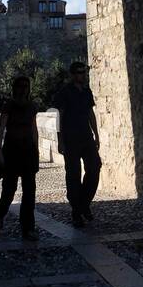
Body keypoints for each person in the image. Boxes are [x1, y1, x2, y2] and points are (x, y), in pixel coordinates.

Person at [52, 61, 101, 227]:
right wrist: (60, 140)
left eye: (84, 72)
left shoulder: (87, 92)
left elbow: (90, 113)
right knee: (73, 176)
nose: (83, 75)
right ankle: (77, 211)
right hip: (71, 139)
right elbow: (59, 116)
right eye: (80, 72)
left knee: (94, 168)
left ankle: (84, 204)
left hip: (87, 137)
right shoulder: (64, 93)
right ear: (73, 75)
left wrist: (97, 135)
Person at [0, 76, 39, 241]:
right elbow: (1, 129)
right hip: (11, 151)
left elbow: (34, 129)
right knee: (9, 189)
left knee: (29, 191)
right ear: (15, 88)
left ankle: (28, 227)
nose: (23, 89)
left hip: (28, 151)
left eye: (26, 86)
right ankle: (0, 213)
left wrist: (36, 148)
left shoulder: (32, 106)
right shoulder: (9, 106)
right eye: (20, 86)